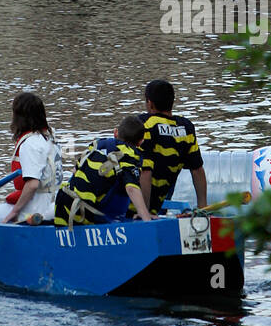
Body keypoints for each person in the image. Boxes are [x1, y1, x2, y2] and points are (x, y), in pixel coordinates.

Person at [55, 114, 153, 225]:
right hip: (86, 216)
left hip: (63, 207)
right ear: (140, 142)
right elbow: (131, 188)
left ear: (115, 133)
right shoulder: (129, 156)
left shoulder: (96, 147)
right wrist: (146, 218)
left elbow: (74, 172)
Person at [0, 92, 64, 224]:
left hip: (32, 209)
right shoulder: (51, 136)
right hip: (51, 205)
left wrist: (14, 212)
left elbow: (32, 184)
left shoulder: (30, 144)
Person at [138, 78, 207, 214]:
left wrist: (143, 213)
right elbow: (197, 170)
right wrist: (203, 208)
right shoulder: (186, 128)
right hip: (159, 200)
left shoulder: (145, 124)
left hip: (137, 205)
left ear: (150, 103)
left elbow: (145, 171)